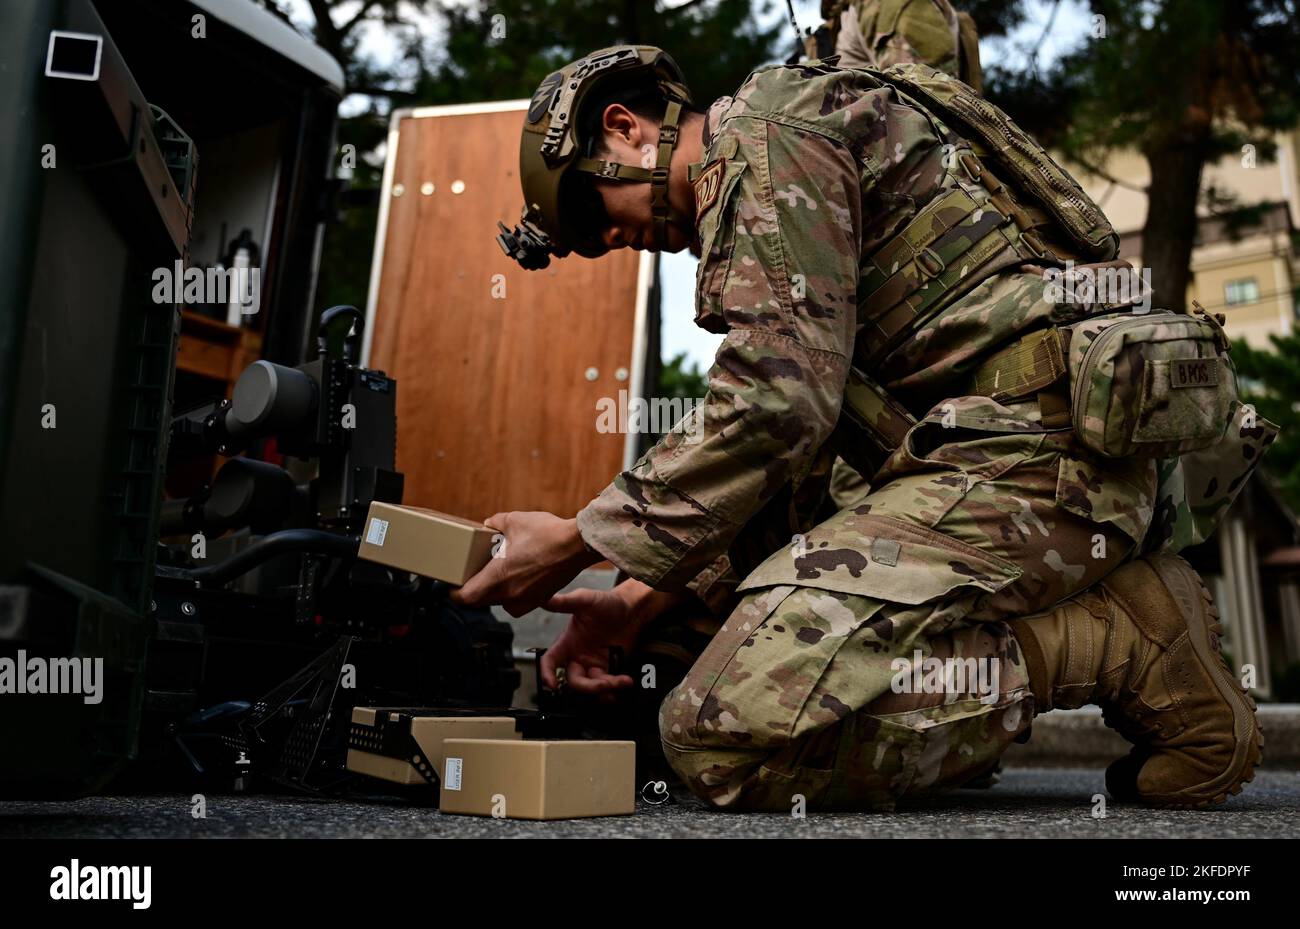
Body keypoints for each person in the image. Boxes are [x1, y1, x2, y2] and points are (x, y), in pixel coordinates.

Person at [470, 45, 1274, 811]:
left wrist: (577, 539)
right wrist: (641, 598)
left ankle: (1116, 638)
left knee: (717, 738)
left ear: (624, 127)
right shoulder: (775, 147)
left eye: (588, 208)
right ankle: (982, 681)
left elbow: (777, 402)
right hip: (982, 454)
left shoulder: (765, 136)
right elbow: (795, 435)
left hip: (1033, 460)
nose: (606, 240)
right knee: (667, 643)